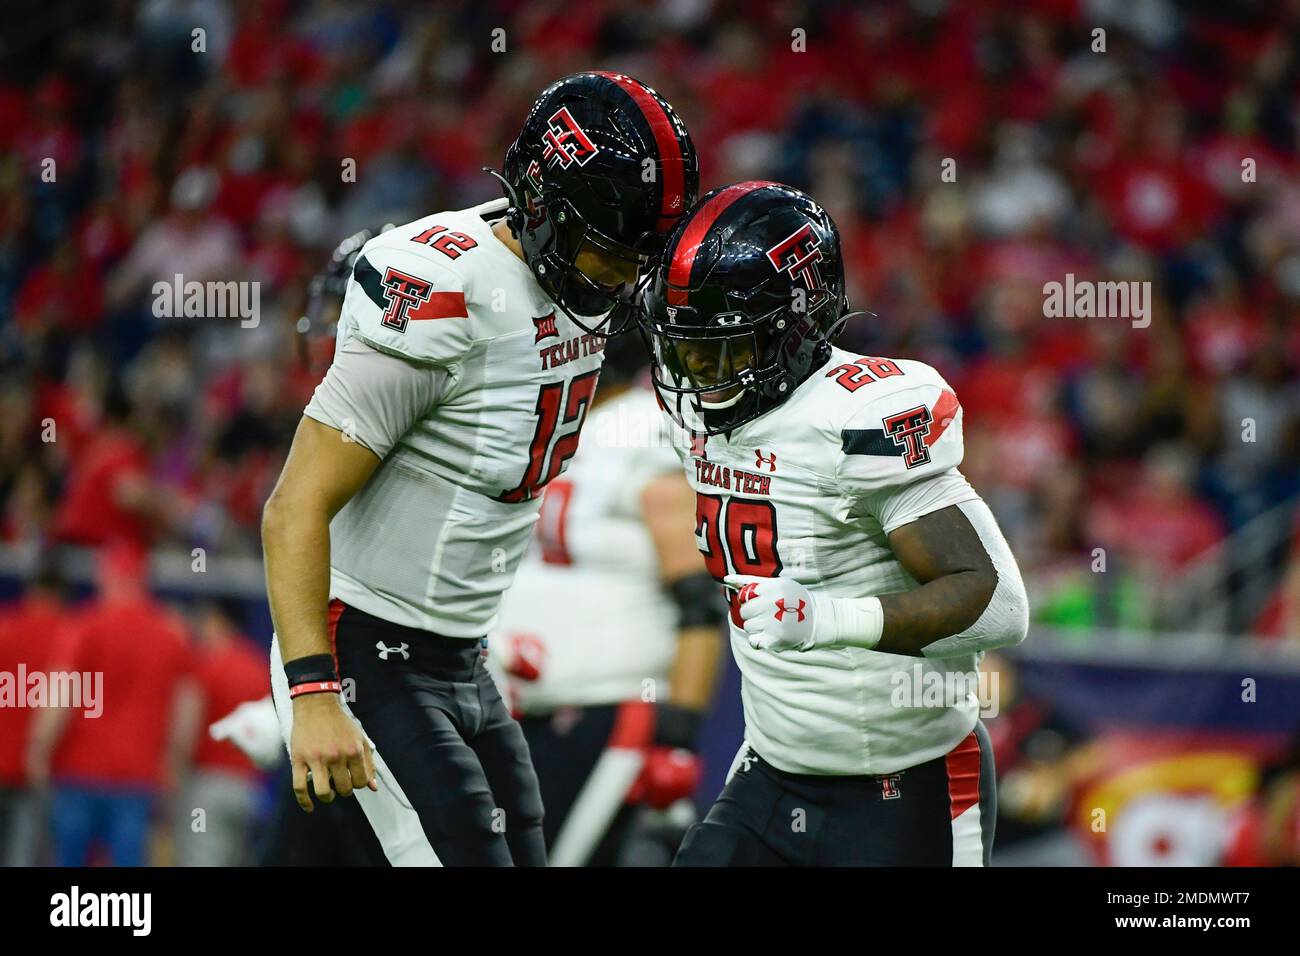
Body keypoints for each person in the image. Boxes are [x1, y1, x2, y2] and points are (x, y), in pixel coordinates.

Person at [262, 72, 698, 865]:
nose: (615, 276)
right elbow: (294, 505)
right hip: (364, 649)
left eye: (634, 254)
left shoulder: (592, 279)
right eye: (603, 248)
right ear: (539, 201)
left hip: (465, 656)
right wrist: (315, 692)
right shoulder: (445, 289)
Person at [637, 181, 1030, 866]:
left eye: (720, 349)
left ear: (795, 326)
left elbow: (999, 607)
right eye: (684, 349)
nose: (696, 375)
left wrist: (828, 619)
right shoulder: (699, 417)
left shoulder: (859, 418)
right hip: (771, 772)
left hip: (905, 788)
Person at [489, 333, 723, 866]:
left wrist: (677, 740)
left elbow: (700, 606)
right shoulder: (558, 421)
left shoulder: (646, 428)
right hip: (527, 706)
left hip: (609, 708)